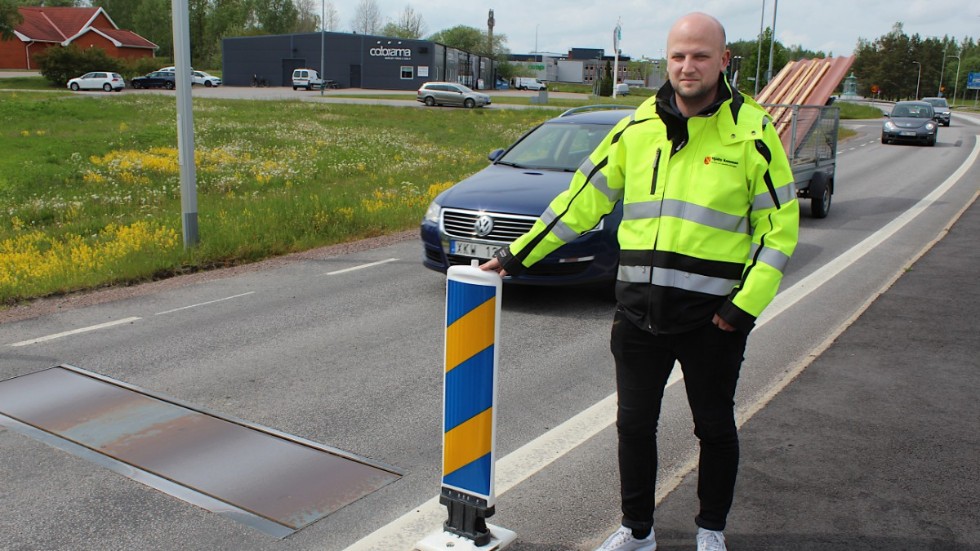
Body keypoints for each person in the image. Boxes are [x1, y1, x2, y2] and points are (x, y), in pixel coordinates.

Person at [481, 12, 799, 551]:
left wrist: (742, 309)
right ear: (666, 61)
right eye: (678, 55)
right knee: (633, 428)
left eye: (700, 55)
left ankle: (710, 531)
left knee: (714, 429)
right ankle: (637, 531)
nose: (687, 66)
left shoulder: (754, 132)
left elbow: (779, 231)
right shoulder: (635, 129)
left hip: (713, 321)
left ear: (724, 60)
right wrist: (514, 258)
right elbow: (580, 202)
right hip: (637, 316)